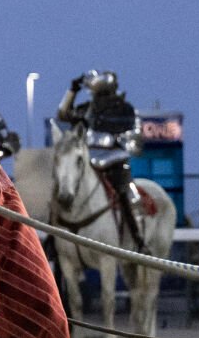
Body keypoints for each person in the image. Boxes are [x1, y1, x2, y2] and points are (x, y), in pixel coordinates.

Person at [57, 70, 144, 244]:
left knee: (126, 194)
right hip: (89, 160)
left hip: (115, 160)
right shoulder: (88, 108)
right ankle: (53, 242)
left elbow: (134, 137)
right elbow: (63, 115)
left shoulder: (124, 109)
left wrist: (116, 140)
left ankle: (138, 239)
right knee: (63, 188)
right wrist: (72, 91)